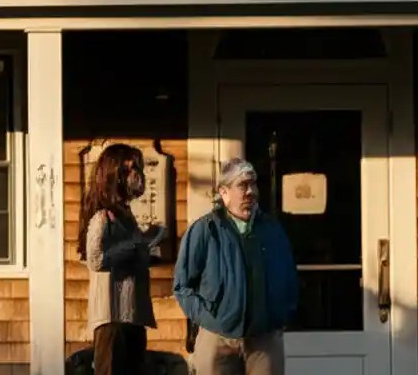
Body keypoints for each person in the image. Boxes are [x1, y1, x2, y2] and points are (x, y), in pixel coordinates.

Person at [174, 158, 298, 375]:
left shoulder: (271, 230)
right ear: (224, 192)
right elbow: (182, 286)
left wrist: (281, 314)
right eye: (242, 185)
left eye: (253, 184)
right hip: (217, 338)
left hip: (264, 339)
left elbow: (289, 276)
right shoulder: (205, 230)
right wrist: (208, 318)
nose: (250, 192)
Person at [79, 143, 165, 375]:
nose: (137, 175)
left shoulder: (127, 217)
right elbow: (95, 260)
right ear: (114, 174)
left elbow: (132, 255)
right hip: (112, 318)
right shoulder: (102, 218)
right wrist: (135, 245)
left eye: (139, 168)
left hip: (133, 316)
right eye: (130, 169)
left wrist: (148, 243)